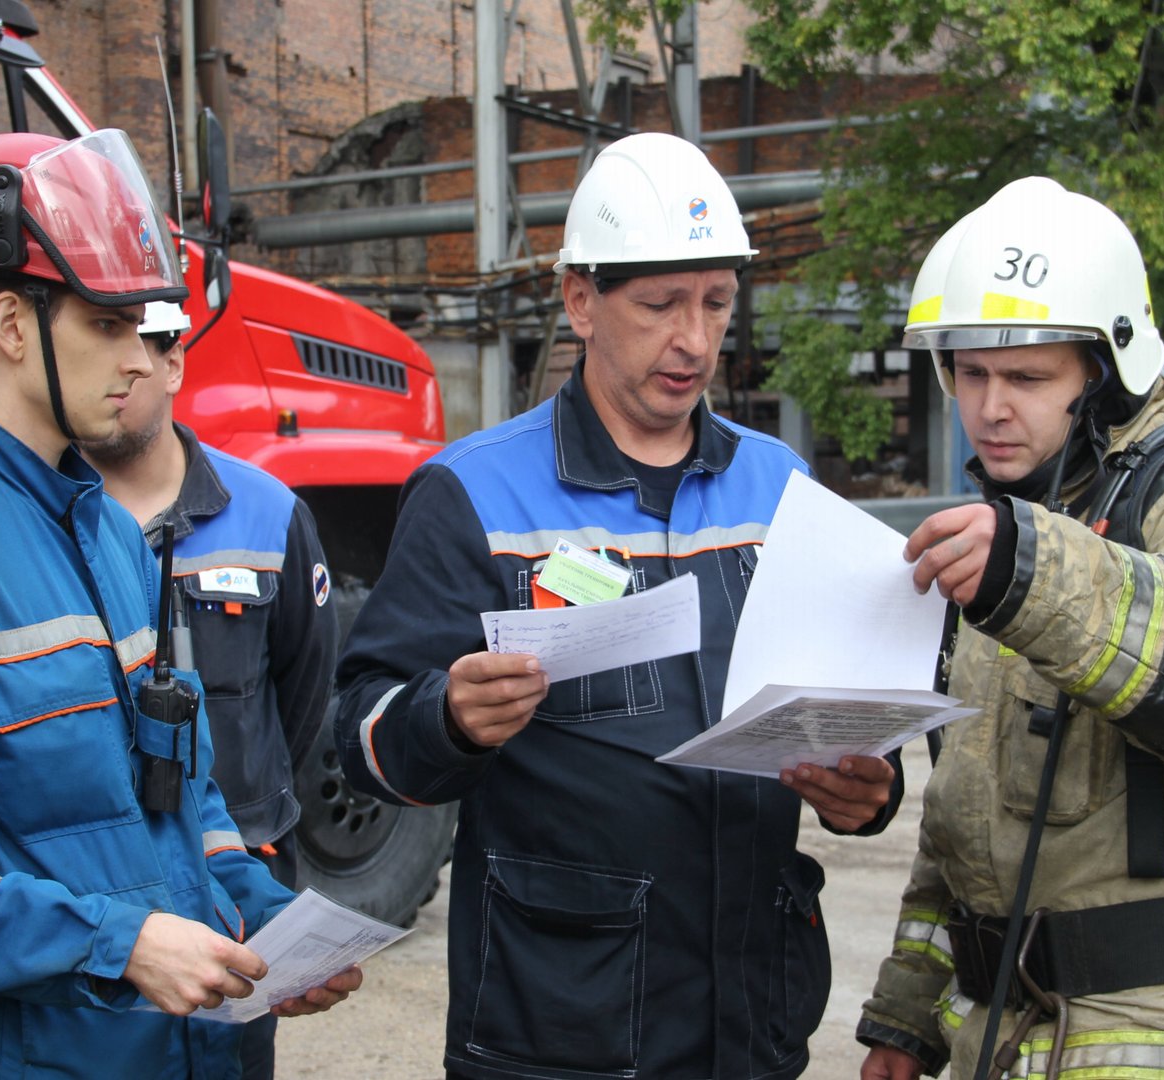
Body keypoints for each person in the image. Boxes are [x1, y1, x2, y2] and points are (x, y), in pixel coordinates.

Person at [332, 131, 902, 1079]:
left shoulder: (780, 487)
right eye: (661, 304)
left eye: (716, 302)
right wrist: (448, 719)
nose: (695, 339)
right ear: (581, 301)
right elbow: (360, 739)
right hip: (563, 1030)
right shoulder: (476, 495)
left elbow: (855, 698)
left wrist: (869, 794)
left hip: (752, 1025)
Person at [0, 129, 359, 1078]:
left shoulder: (107, 531)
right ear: (12, 326)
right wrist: (119, 946)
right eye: (108, 326)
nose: (142, 359)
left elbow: (183, 798)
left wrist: (261, 913)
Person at [855, 177, 1164, 1080]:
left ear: (1104, 375)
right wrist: (907, 1018)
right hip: (1008, 1036)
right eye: (970, 374)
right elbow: (969, 816)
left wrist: (1034, 572)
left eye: (1028, 378)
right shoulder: (1023, 525)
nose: (991, 407)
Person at [80, 299, 338, 1080]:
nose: (117, 369)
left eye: (136, 344)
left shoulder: (270, 514)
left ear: (174, 362)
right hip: (102, 887)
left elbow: (304, 692)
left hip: (239, 875)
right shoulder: (48, 524)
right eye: (95, 339)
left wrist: (247, 805)